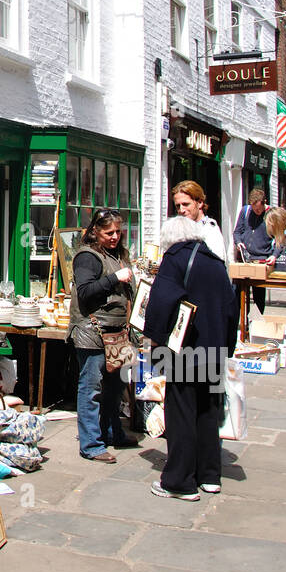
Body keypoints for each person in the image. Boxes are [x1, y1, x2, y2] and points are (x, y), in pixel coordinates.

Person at [143, 216, 238, 501]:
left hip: (185, 350)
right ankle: (209, 476)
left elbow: (161, 301)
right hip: (214, 349)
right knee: (208, 412)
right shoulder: (215, 262)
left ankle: (179, 481)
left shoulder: (174, 259)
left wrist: (153, 337)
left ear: (170, 239)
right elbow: (231, 309)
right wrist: (227, 348)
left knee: (181, 413)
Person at [67, 209, 137, 463]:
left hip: (117, 332)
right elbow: (85, 292)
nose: (115, 237)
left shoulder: (116, 254)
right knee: (91, 388)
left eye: (118, 232)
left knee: (115, 388)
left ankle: (111, 431)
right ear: (95, 231)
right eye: (109, 232)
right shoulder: (88, 257)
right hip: (93, 332)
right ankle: (91, 444)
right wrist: (114, 278)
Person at [232, 185, 272, 314]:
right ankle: (241, 323)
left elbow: (279, 239)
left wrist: (274, 255)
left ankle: (258, 321)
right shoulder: (245, 211)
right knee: (238, 292)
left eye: (259, 209)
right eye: (254, 209)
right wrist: (238, 243)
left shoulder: (271, 214)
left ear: (264, 203)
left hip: (261, 259)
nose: (257, 212)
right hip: (244, 258)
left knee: (259, 295)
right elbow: (237, 231)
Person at [172, 179, 227, 261]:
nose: (181, 210)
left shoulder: (210, 230)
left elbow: (216, 265)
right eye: (178, 206)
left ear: (200, 203)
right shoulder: (179, 230)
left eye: (185, 204)